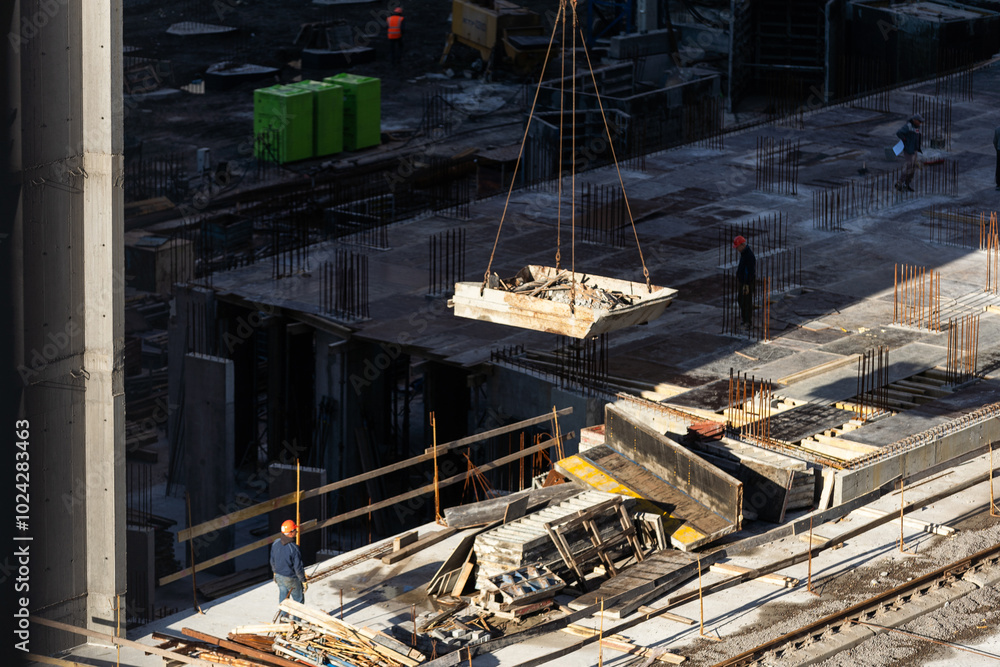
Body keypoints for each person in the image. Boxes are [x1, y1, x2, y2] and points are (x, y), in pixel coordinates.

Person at [270, 520, 307, 605]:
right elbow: (298, 568)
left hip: (279, 576)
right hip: (290, 578)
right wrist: (303, 581)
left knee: (284, 600)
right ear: (290, 533)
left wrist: (275, 572)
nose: (297, 532)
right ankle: (295, 619)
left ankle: (283, 617)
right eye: (295, 530)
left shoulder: (275, 543)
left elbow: (272, 560)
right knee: (298, 600)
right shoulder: (293, 548)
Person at [895, 113, 923, 192]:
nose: (920, 123)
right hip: (908, 150)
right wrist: (905, 139)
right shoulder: (908, 126)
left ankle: (907, 184)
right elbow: (899, 132)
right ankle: (900, 182)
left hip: (914, 150)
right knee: (908, 167)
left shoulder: (917, 128)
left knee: (913, 168)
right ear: (915, 120)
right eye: (919, 121)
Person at [733, 235, 755, 331]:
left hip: (747, 283)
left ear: (742, 245)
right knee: (741, 301)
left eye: (737, 247)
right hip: (743, 282)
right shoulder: (744, 254)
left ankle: (748, 322)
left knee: (746, 302)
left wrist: (746, 284)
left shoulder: (749, 255)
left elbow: (750, 272)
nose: (737, 249)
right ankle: (745, 320)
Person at [993, 124, 1000, 192]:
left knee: (998, 167)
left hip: (999, 150)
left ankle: (998, 184)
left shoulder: (997, 129)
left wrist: (997, 149)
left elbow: (994, 141)